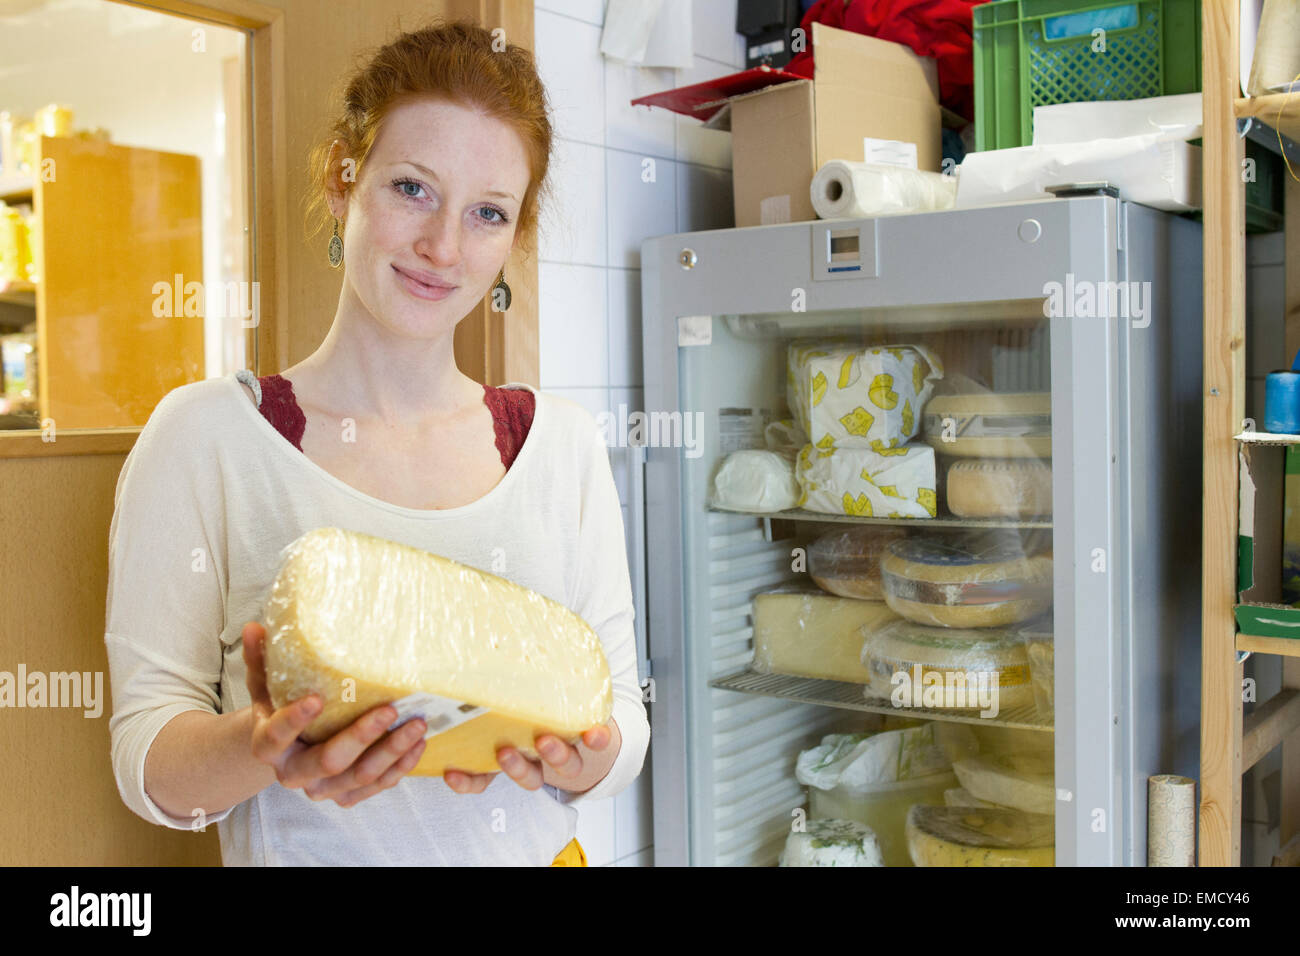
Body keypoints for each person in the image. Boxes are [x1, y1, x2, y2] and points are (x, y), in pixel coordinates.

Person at [104, 19, 649, 866]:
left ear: (513, 239)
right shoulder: (208, 439)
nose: (443, 246)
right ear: (340, 181)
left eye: (488, 213)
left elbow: (626, 731)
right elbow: (149, 768)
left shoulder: (560, 448)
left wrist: (589, 756)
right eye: (411, 189)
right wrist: (265, 744)